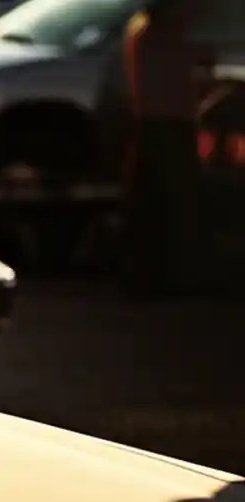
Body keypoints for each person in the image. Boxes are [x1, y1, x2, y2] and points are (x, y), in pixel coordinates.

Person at [121, 0, 215, 294]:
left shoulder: (145, 35)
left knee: (152, 201)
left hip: (155, 124)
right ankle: (165, 273)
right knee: (172, 201)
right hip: (168, 125)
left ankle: (149, 272)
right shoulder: (160, 38)